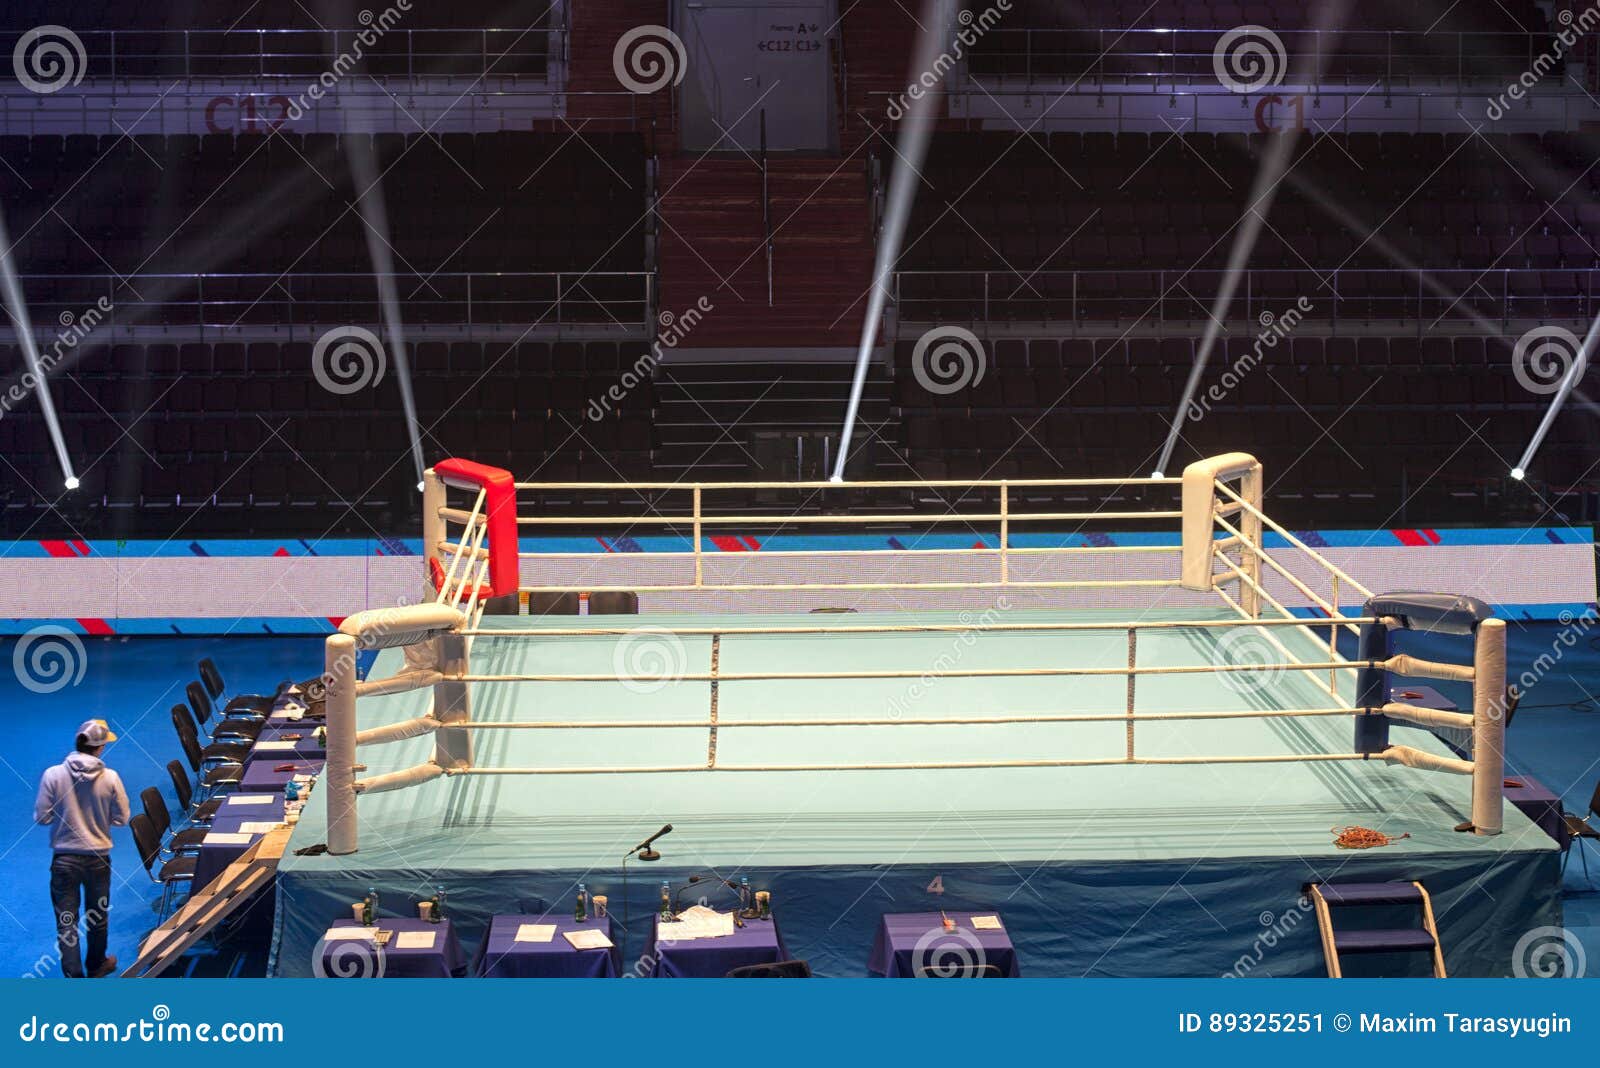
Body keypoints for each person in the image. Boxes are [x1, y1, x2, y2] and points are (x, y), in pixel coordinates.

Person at [34, 719, 130, 978]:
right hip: (98, 858)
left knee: (67, 921)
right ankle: (97, 964)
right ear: (99, 748)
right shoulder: (111, 778)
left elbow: (42, 817)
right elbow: (122, 818)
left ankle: (73, 976)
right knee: (97, 916)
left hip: (64, 860)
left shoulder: (53, 775)